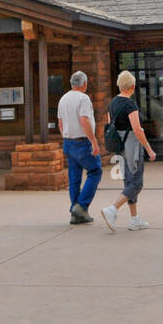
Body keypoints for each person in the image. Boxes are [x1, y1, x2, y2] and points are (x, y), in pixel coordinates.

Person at [101, 70, 157, 232]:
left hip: (119, 146)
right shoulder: (130, 104)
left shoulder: (112, 103)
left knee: (129, 181)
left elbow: (112, 125)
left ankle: (134, 219)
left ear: (120, 85)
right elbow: (137, 129)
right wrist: (149, 149)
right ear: (132, 86)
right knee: (137, 182)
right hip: (132, 145)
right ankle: (112, 209)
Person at [58, 71, 100, 224]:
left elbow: (60, 124)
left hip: (68, 142)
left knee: (74, 178)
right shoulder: (83, 98)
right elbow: (84, 121)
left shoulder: (63, 99)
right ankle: (81, 206)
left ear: (71, 83)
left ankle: (75, 213)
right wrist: (94, 142)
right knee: (95, 171)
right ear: (84, 84)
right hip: (83, 142)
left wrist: (66, 137)